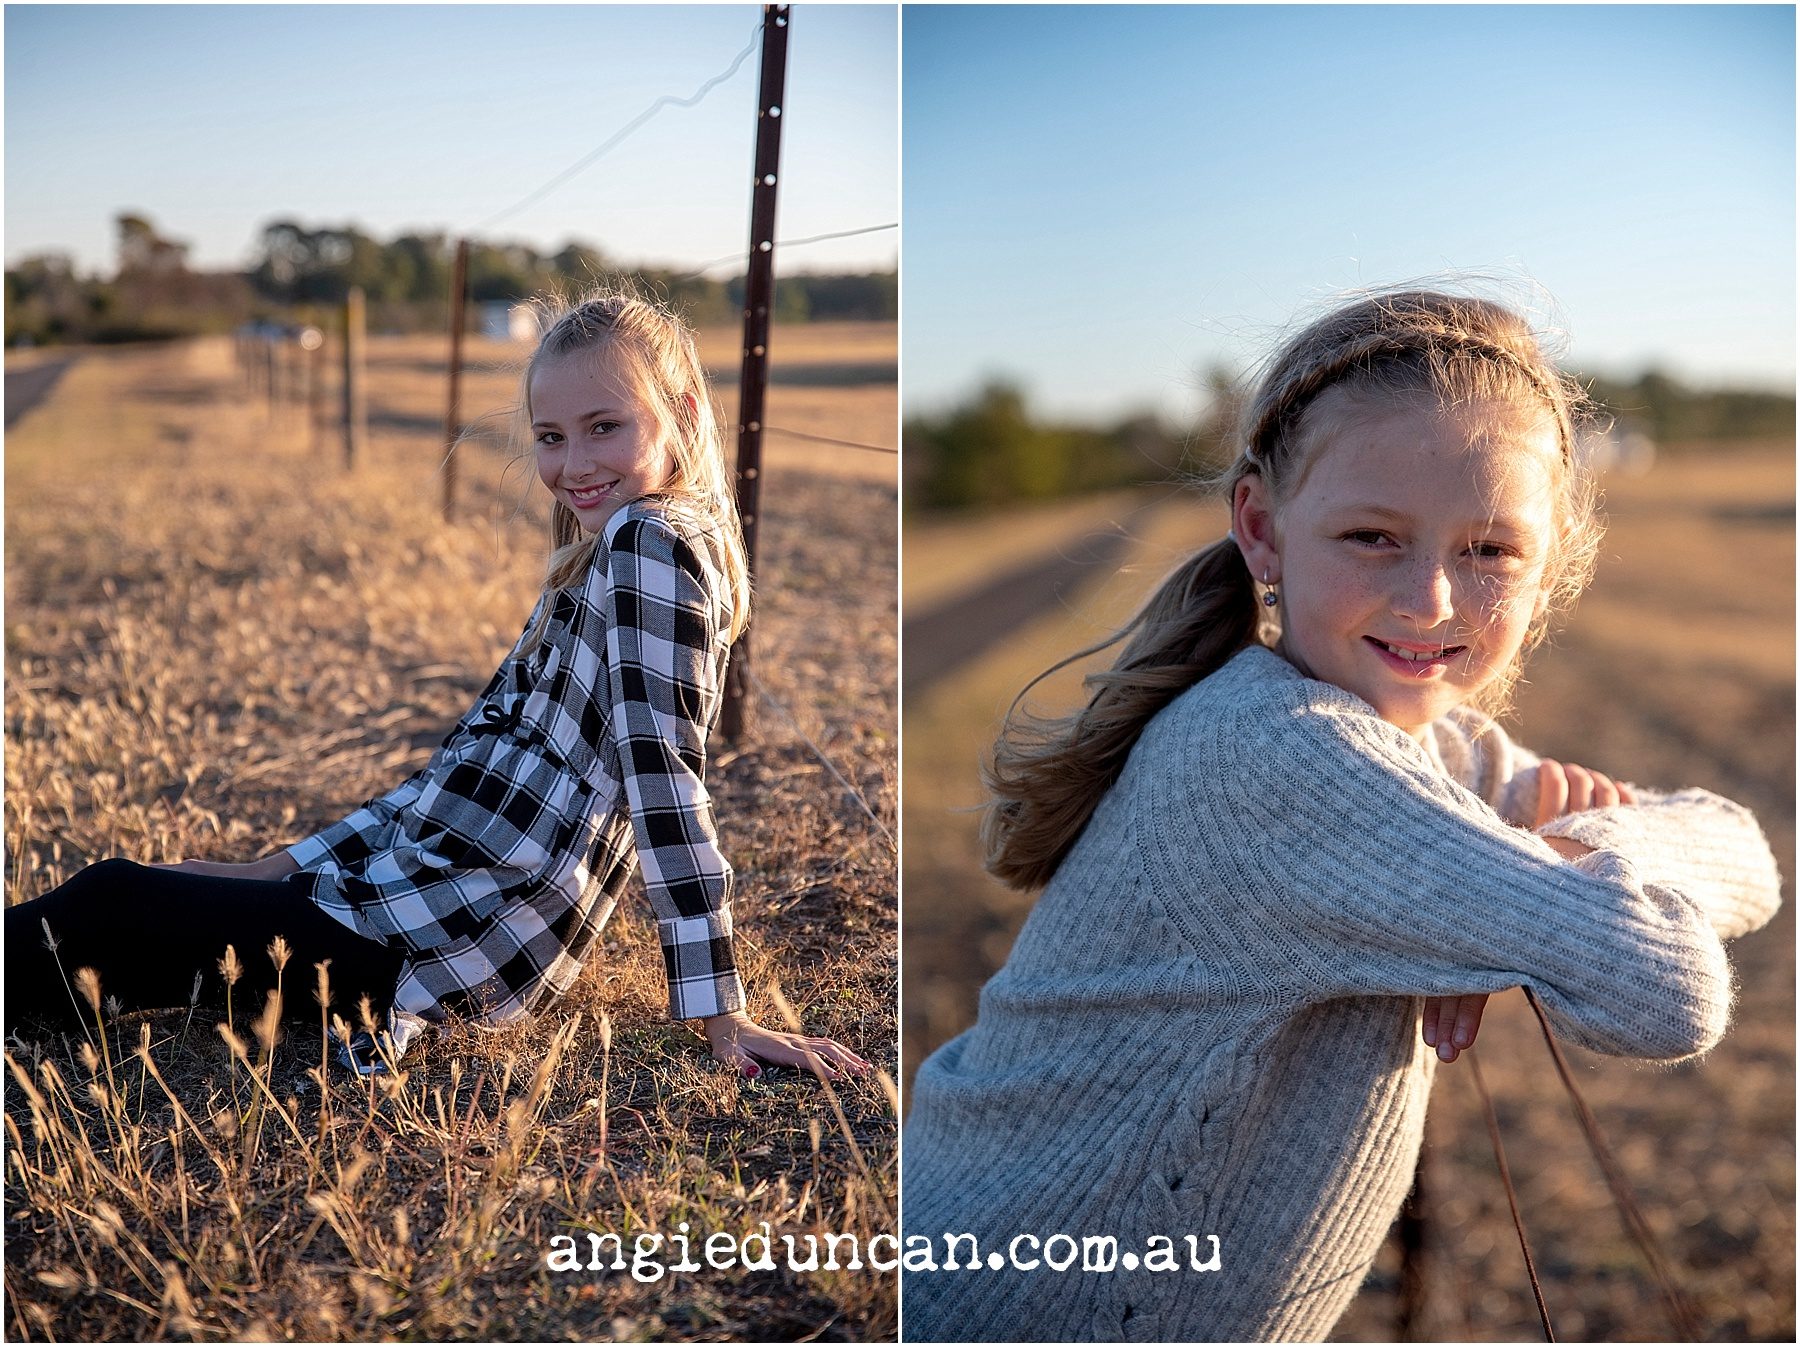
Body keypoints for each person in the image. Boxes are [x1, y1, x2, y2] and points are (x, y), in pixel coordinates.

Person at [899, 289, 1781, 1341]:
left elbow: (1744, 851)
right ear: (1263, 532)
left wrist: (1557, 858)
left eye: (1491, 550)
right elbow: (1663, 986)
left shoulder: (1436, 746)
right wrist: (1530, 907)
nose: (1432, 601)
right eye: (1373, 536)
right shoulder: (1280, 753)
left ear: (1551, 570)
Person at [5, 290, 870, 1084]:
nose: (574, 464)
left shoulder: (650, 546)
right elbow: (468, 768)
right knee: (132, 914)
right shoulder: (613, 548)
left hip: (453, 940)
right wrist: (278, 870)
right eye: (551, 436)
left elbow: (665, 779)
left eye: (605, 425)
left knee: (112, 902)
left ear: (680, 414)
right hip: (421, 892)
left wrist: (720, 1008)